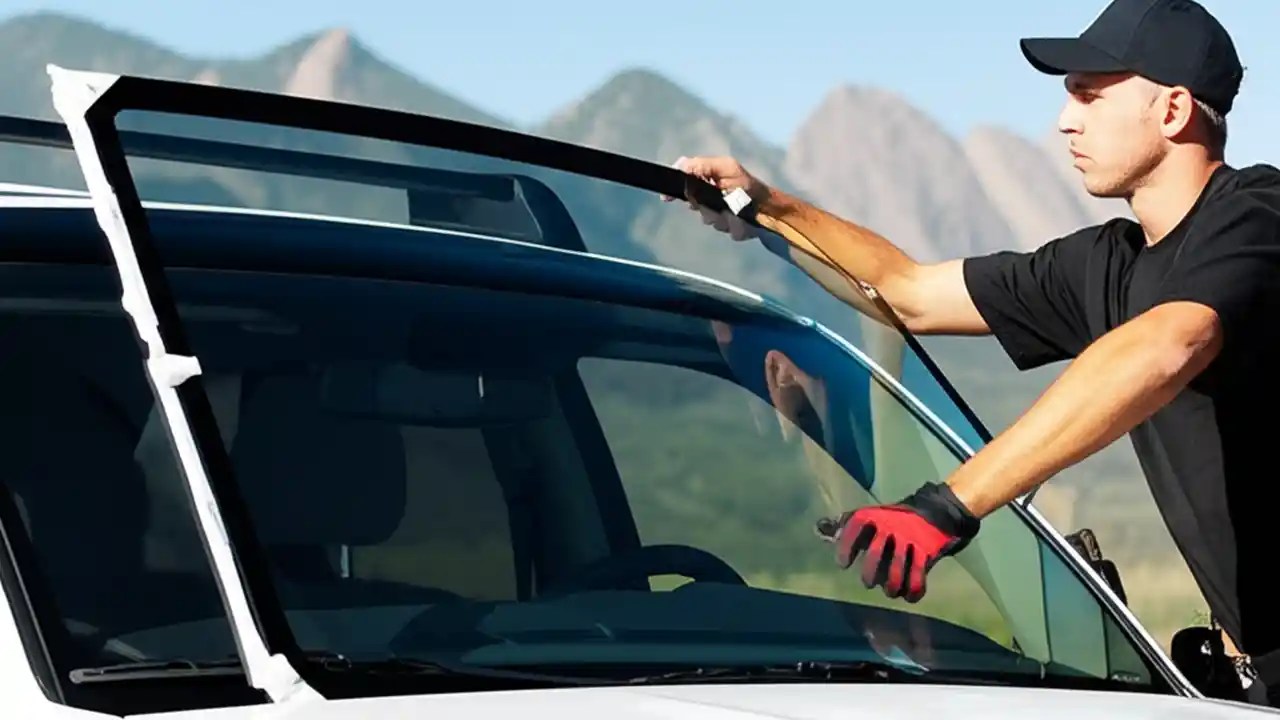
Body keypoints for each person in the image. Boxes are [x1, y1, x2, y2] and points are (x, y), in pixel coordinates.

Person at [673, 0, 1280, 705]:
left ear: (1172, 109)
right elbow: (908, 294)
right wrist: (765, 207)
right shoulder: (1104, 266)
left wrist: (949, 505)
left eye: (1089, 93)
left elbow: (1168, 343)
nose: (1065, 119)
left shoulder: (1259, 215)